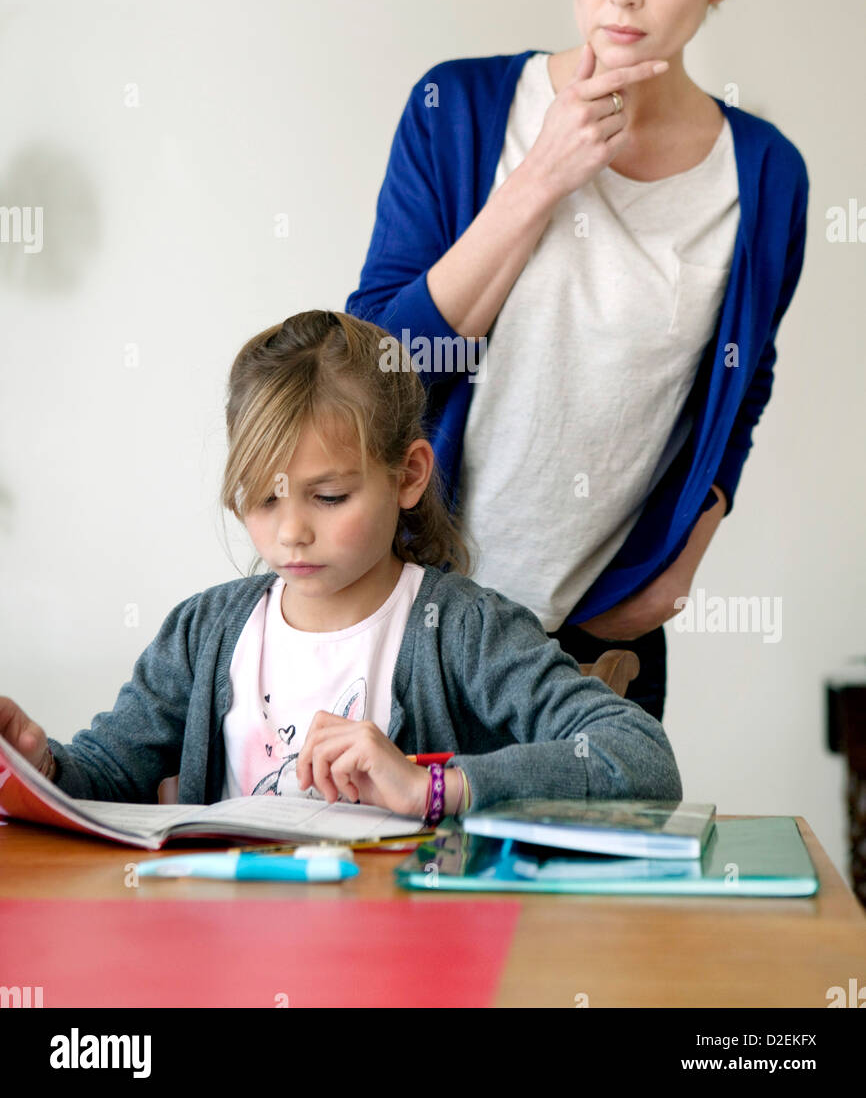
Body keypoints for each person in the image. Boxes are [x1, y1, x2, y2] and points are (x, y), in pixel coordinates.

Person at [345, 0, 809, 723]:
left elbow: (742, 380)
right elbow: (374, 370)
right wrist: (541, 177)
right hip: (418, 616)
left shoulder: (765, 176)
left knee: (599, 871)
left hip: (605, 647)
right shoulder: (459, 108)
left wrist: (682, 564)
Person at [0, 311, 682, 816]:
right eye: (263, 497)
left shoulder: (464, 630)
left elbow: (639, 754)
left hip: (404, 962)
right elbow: (103, 774)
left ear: (409, 475)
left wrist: (434, 787)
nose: (292, 531)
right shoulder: (201, 633)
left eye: (329, 496)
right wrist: (37, 767)